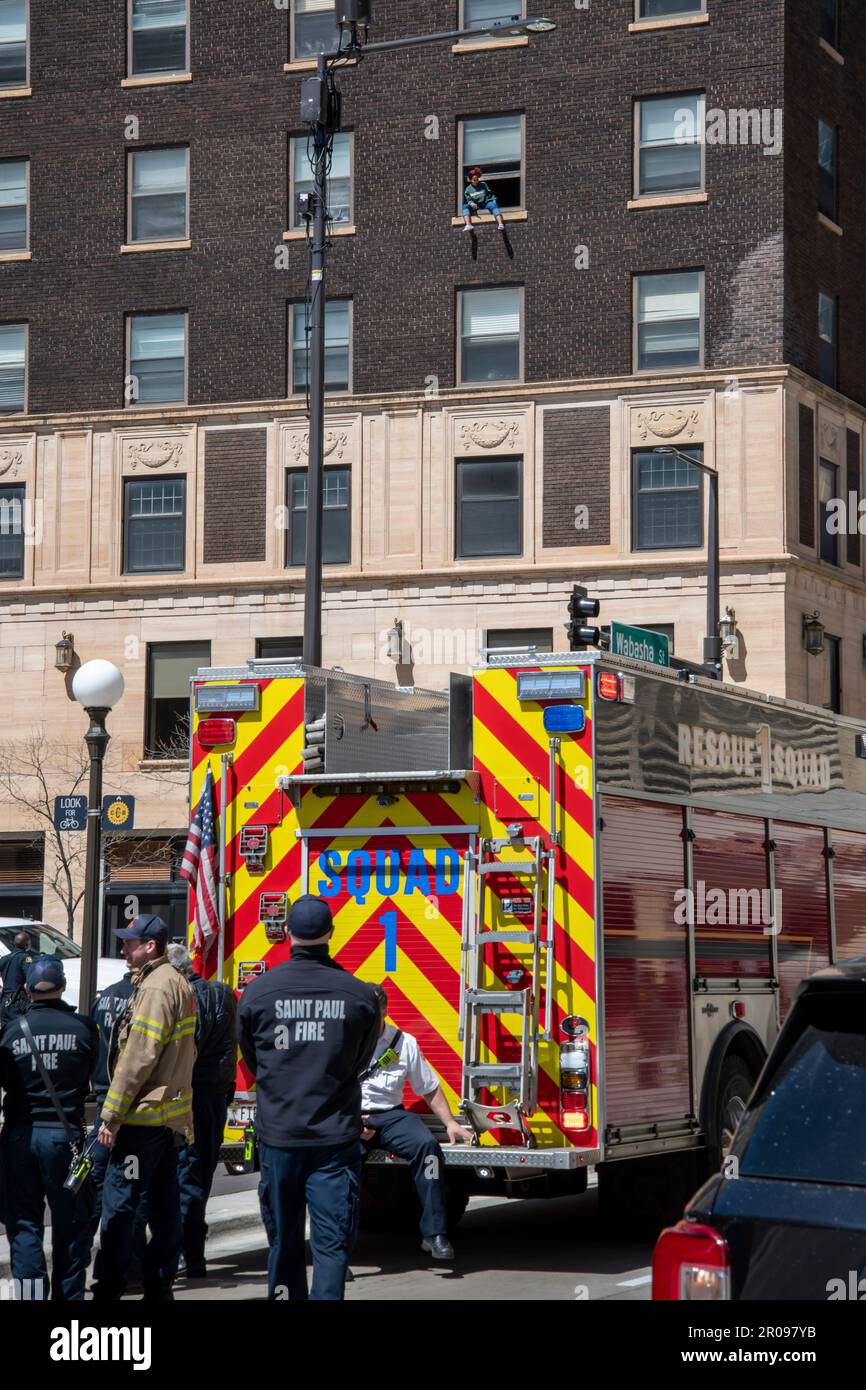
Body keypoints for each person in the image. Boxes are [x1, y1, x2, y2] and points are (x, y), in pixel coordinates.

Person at [238, 894, 380, 1302]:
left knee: (283, 1242)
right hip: (334, 1141)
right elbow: (361, 1059)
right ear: (331, 934)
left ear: (286, 934)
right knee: (332, 1245)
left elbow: (252, 1058)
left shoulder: (259, 993)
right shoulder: (358, 996)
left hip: (279, 1137)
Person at [90, 914, 196, 1303]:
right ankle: (159, 1283)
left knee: (120, 1206)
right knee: (166, 1205)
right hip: (167, 1119)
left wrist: (111, 1115)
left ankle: (111, 1286)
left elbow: (138, 1056)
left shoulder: (155, 988)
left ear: (151, 946)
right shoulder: (176, 982)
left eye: (129, 943)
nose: (123, 949)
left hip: (141, 1120)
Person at [0, 956, 99, 1300]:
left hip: (20, 1136)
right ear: (62, 986)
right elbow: (97, 1078)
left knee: (24, 1225)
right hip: (64, 1137)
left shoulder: (12, 1031)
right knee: (71, 1226)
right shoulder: (84, 1028)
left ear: (27, 989)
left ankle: (29, 1297)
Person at [361, 984, 473, 1262]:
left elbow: (429, 1088)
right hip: (351, 1115)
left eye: (372, 1013)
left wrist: (450, 1123)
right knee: (340, 1164)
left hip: (391, 1115)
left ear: (385, 1011)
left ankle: (435, 1235)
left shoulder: (404, 1042)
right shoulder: (343, 1041)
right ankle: (337, 1247)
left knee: (427, 1148)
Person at [167, 942, 237, 1278]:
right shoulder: (223, 994)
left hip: (188, 1098)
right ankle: (193, 1251)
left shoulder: (183, 1000)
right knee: (201, 1174)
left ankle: (189, 1253)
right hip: (216, 1098)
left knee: (186, 1176)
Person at [88, 966, 135, 1238]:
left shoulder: (106, 995)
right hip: (124, 1098)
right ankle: (120, 1257)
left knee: (97, 1174)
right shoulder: (139, 999)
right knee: (124, 1178)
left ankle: (82, 1250)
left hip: (105, 1092)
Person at [0, 929, 42, 1023]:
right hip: (18, 1000)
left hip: (4, 1001)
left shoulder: (4, 958)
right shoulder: (25, 958)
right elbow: (31, 977)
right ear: (26, 944)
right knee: (20, 1030)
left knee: (5, 1032)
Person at [462, 166, 506, 232]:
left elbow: (490, 193)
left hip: (485, 203)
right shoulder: (468, 189)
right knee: (465, 206)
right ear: (471, 180)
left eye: (477, 179)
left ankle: (500, 224)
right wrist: (471, 203)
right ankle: (468, 225)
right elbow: (468, 199)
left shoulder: (483, 185)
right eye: (474, 180)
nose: (476, 181)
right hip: (476, 205)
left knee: (493, 205)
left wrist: (494, 200)